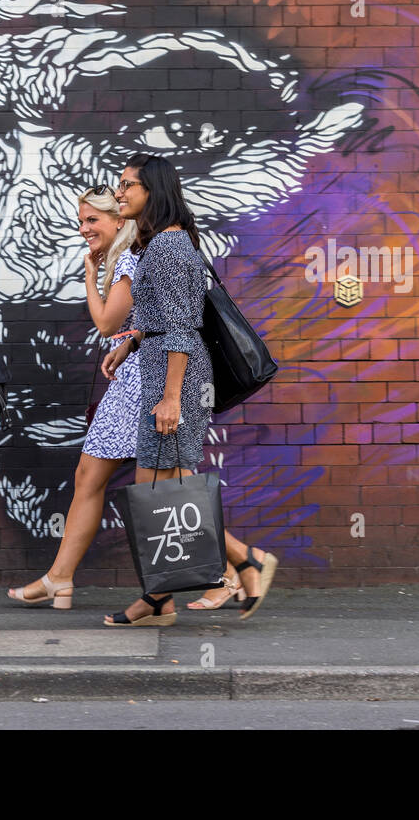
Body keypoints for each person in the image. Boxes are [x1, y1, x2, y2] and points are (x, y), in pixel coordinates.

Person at [100, 154, 277, 625]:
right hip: (162, 365)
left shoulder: (170, 246)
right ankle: (163, 597)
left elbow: (181, 326)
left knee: (163, 494)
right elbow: (162, 315)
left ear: (153, 192)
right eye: (119, 185)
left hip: (177, 375)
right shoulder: (159, 244)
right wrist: (132, 341)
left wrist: (172, 396)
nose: (119, 193)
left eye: (127, 185)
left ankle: (237, 563)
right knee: (167, 493)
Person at [6, 187, 144, 609]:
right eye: (81, 220)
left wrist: (88, 275)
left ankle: (238, 566)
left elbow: (106, 323)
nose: (83, 228)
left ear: (118, 220)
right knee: (99, 476)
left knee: (165, 483)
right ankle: (60, 578)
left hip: (139, 383)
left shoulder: (128, 259)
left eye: (92, 220)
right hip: (134, 377)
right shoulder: (129, 257)